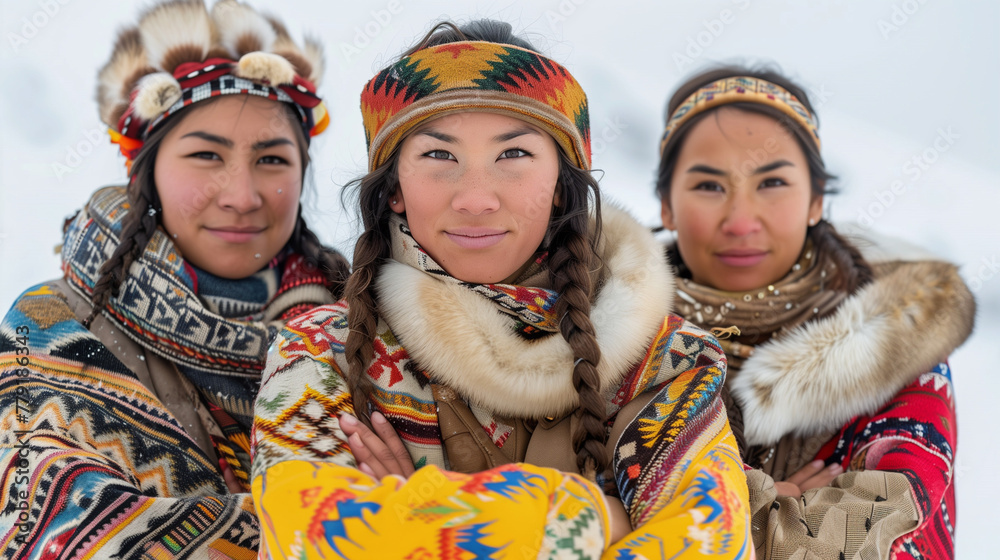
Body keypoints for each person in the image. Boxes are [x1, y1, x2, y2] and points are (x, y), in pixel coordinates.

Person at [250, 20, 751, 560]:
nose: (476, 199)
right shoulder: (320, 350)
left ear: (562, 186)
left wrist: (420, 508)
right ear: (393, 188)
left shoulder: (664, 360)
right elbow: (315, 538)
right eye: (439, 156)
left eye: (512, 155)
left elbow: (712, 547)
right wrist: (605, 516)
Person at [0, 1, 349, 557]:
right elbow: (45, 532)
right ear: (147, 174)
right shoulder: (50, 328)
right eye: (206, 155)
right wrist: (356, 519)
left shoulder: (362, 327)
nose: (241, 195)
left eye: (272, 160)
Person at [655, 66, 975, 559]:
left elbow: (890, 533)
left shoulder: (895, 341)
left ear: (816, 200)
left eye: (773, 182)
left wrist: (702, 516)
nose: (741, 222)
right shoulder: (601, 341)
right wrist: (761, 513)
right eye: (709, 187)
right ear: (667, 207)